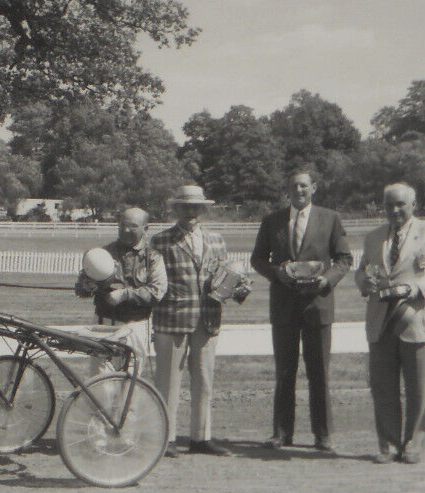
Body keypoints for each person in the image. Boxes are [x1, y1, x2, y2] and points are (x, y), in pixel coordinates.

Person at [250, 170, 352, 452]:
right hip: (283, 305)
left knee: (319, 371)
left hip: (317, 304)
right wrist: (276, 273)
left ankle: (323, 434)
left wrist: (327, 280)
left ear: (314, 188)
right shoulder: (272, 221)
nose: (299, 190)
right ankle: (282, 433)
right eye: (294, 185)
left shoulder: (330, 218)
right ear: (288, 189)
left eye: (304, 185)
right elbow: (257, 259)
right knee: (285, 371)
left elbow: (344, 259)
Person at [354, 182, 425, 464]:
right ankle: (388, 445)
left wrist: (417, 288)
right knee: (383, 386)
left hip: (418, 318)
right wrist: (365, 281)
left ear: (413, 205)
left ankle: (413, 444)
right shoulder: (373, 237)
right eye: (389, 205)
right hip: (381, 321)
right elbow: (361, 271)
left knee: (419, 388)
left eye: (400, 204)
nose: (394, 210)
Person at [151, 184, 231, 458]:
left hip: (208, 319)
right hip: (172, 319)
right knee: (168, 382)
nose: (190, 212)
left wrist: (237, 286)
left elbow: (226, 275)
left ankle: (201, 438)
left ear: (202, 210)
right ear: (176, 209)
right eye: (185, 206)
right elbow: (155, 282)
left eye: (195, 207)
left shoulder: (217, 240)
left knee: (204, 381)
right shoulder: (161, 241)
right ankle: (167, 438)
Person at [73, 207, 167, 371]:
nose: (126, 230)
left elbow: (157, 291)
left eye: (133, 226)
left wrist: (124, 294)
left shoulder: (153, 257)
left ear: (145, 229)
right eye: (122, 225)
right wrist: (86, 285)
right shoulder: (103, 254)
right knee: (100, 380)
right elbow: (81, 289)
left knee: (131, 379)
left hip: (136, 326)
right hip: (104, 325)